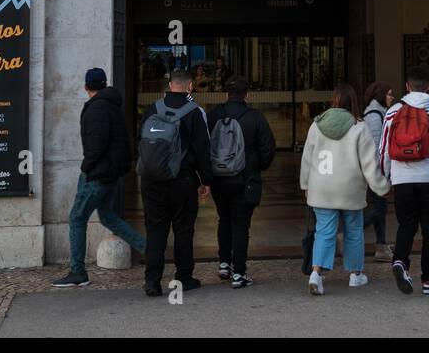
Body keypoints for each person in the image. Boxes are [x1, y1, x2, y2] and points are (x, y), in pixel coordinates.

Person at [52, 70, 146, 287]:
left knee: (77, 218)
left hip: (97, 175)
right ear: (104, 85)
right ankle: (148, 249)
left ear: (86, 87)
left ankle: (78, 272)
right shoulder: (113, 106)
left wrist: (86, 168)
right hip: (110, 174)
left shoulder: (97, 108)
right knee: (108, 218)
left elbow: (96, 146)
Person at [300, 82, 390, 295]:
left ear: (334, 100)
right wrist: (381, 186)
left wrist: (305, 184)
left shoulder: (316, 125)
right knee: (353, 231)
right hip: (350, 189)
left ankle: (316, 273)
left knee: (324, 232)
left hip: (321, 188)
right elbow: (369, 163)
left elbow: (307, 159)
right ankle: (355, 274)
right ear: (354, 103)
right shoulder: (360, 127)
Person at [381, 64, 429, 295]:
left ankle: (400, 261)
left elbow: (383, 149)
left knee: (407, 225)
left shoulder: (393, 112)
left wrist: (389, 175)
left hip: (403, 180)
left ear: (407, 86)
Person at [140, 68, 213, 297]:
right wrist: (205, 181)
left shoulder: (152, 109)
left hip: (151, 180)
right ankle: (183, 277)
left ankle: (152, 280)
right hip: (182, 180)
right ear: (190, 86)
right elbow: (202, 150)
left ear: (169, 84)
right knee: (183, 229)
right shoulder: (194, 112)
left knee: (155, 230)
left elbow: (141, 142)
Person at [208, 75, 277, 288]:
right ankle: (239, 273)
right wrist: (257, 167)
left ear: (226, 94)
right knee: (240, 225)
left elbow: (203, 144)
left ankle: (224, 264)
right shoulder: (254, 117)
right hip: (245, 179)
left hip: (219, 179)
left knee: (224, 219)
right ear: (247, 95)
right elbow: (268, 148)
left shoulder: (214, 115)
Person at [361, 81, 395, 262]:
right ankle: (352, 231)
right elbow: (375, 146)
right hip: (376, 170)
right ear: (381, 95)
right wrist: (381, 172)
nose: (392, 97)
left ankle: (381, 246)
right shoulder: (375, 116)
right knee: (379, 208)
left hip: (377, 169)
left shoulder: (379, 113)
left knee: (380, 207)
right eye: (389, 94)